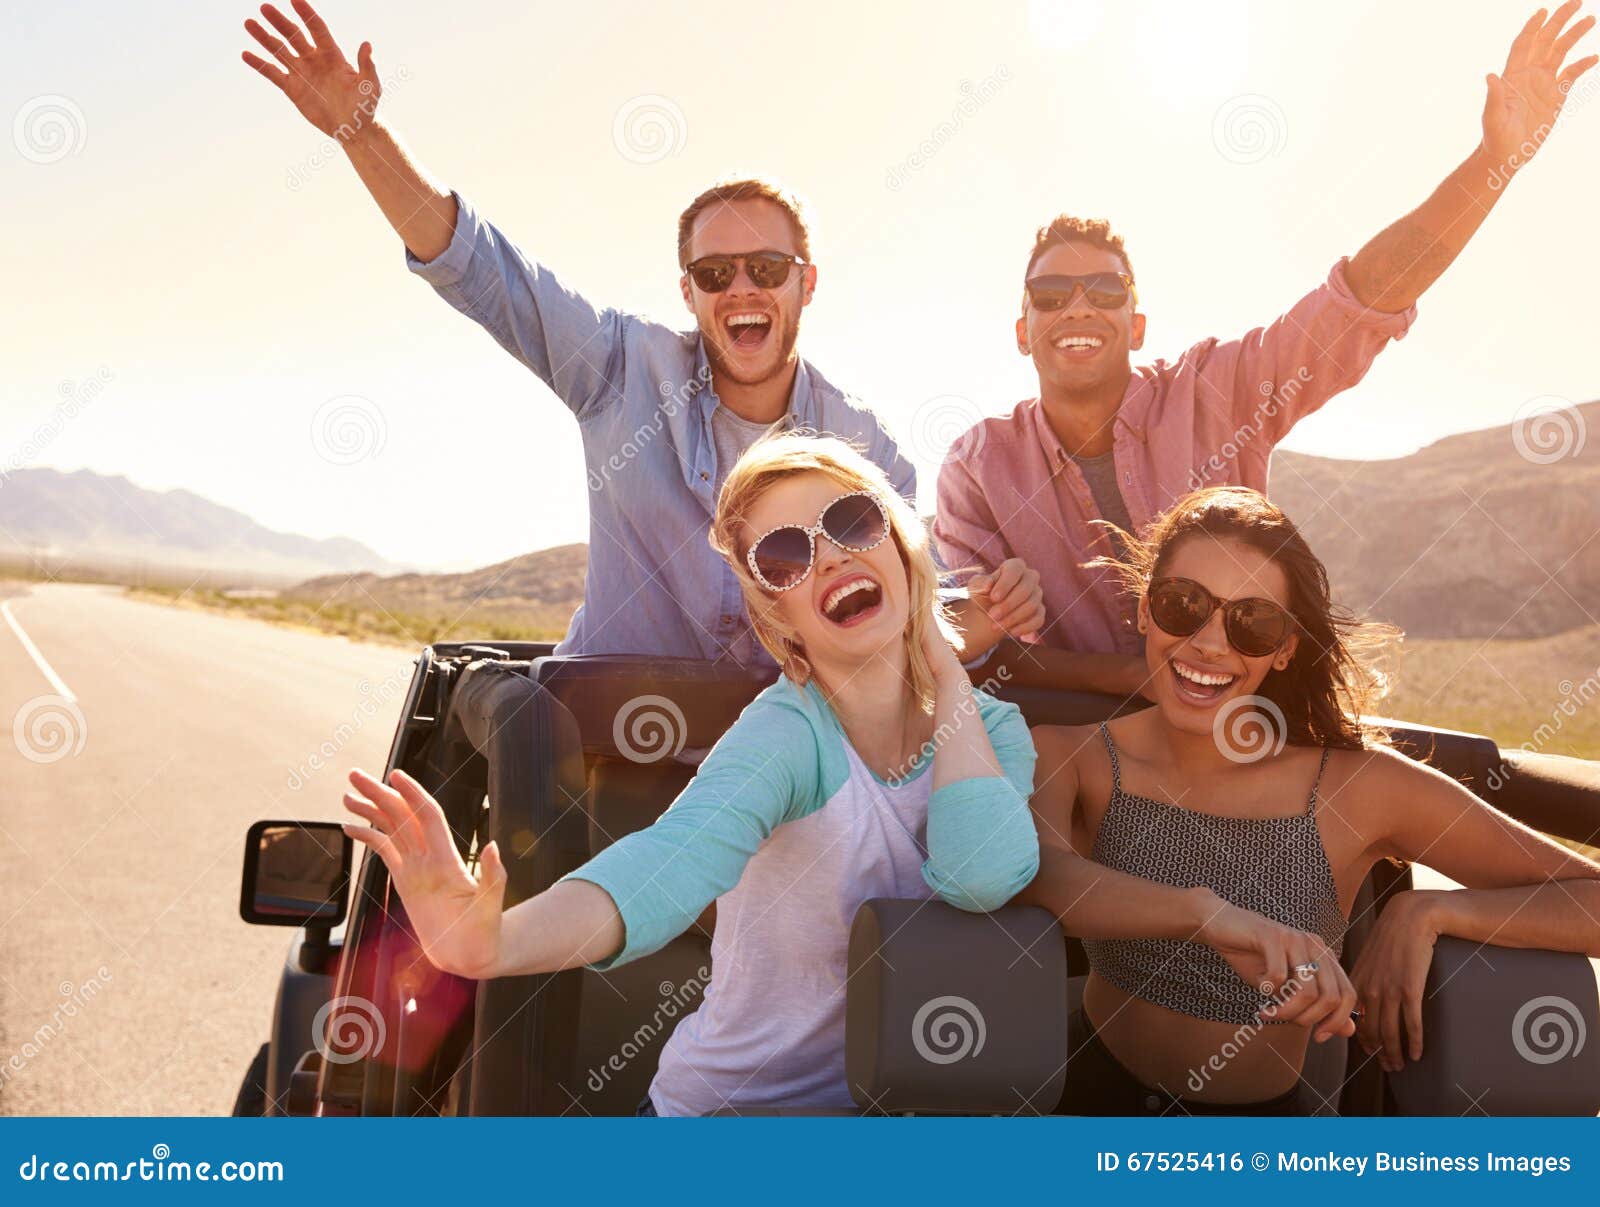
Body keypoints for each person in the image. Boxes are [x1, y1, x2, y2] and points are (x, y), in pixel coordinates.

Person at [239, 0, 1067, 673]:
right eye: (716, 274)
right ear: (690, 293)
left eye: (767, 267)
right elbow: (479, 269)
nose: (741, 287)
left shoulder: (862, 451)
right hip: (599, 750)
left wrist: (994, 608)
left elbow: (920, 605)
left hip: (776, 771)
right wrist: (360, 132)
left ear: (805, 283)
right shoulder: (620, 368)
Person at [338, 434, 1041, 1115]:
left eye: (851, 522)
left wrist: (946, 669)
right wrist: (493, 944)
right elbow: (669, 861)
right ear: (778, 615)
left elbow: (980, 873)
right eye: (785, 555)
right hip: (734, 1121)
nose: (826, 557)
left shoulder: (990, 728)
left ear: (902, 542)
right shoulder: (790, 734)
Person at [936, 3, 1598, 657]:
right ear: (1023, 331)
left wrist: (1495, 161)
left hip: (1239, 733)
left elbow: (1359, 301)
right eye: (1050, 295)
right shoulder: (979, 467)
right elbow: (983, 653)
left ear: (1136, 325)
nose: (1077, 307)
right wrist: (1128, 690)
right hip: (1075, 752)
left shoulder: (1219, 390)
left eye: (1103, 290)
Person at [1018, 486, 1600, 1115]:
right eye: (1182, 604)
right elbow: (1046, 878)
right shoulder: (1069, 755)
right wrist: (1210, 915)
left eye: (1253, 622)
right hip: (1076, 1104)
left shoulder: (1361, 786)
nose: (1211, 643)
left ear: (1287, 647)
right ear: (1144, 610)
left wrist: (1428, 915)